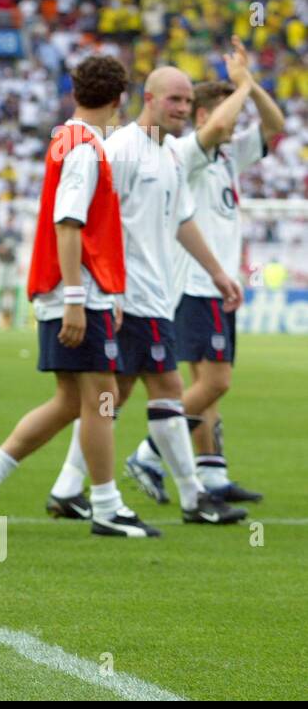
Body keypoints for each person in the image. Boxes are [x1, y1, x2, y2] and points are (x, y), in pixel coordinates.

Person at [0, 56, 156, 537]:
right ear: (118, 99)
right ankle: (106, 507)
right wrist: (75, 297)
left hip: (75, 287)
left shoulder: (68, 139)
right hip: (74, 289)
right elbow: (69, 225)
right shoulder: (84, 147)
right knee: (102, 397)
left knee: (72, 399)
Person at [47, 62, 247, 527]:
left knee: (113, 397)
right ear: (149, 99)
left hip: (157, 292)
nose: (182, 108)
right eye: (174, 99)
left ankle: (65, 487)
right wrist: (105, 290)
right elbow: (93, 224)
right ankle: (194, 496)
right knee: (168, 388)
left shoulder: (173, 154)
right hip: (129, 294)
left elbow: (181, 220)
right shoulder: (119, 150)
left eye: (186, 101)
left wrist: (218, 273)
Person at [122, 38, 280, 505]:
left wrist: (249, 86)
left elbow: (276, 125)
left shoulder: (229, 156)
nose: (232, 121)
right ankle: (148, 453)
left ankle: (211, 476)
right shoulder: (190, 152)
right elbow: (223, 123)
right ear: (202, 117)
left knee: (207, 388)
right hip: (194, 284)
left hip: (218, 284)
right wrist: (240, 89)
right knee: (216, 381)